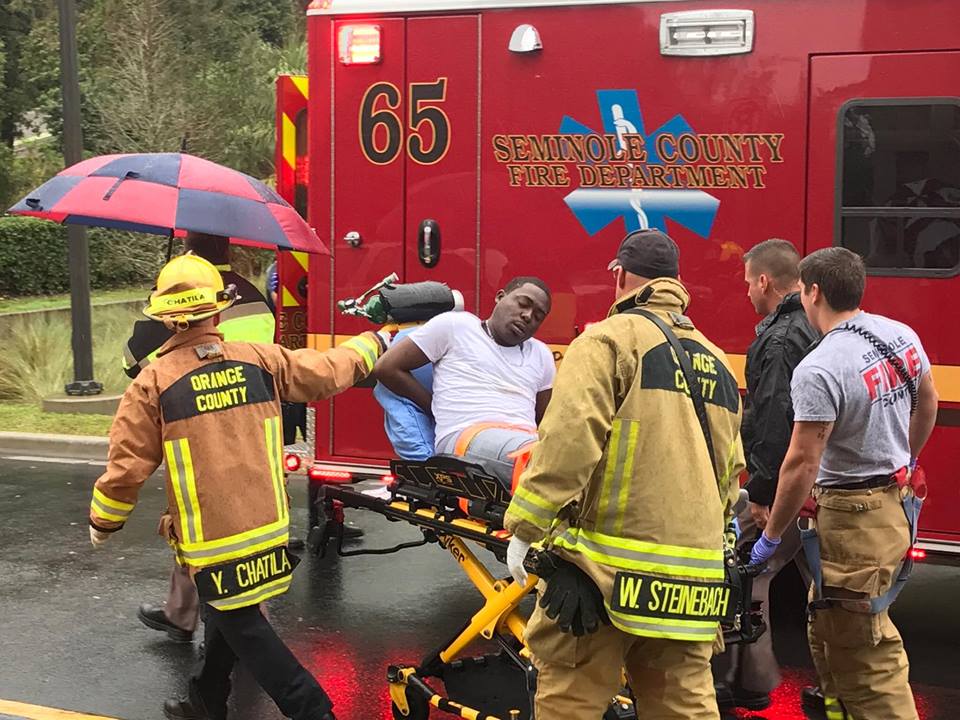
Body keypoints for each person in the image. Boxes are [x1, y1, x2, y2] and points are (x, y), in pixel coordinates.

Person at [89, 254, 386, 720]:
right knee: (222, 615)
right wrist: (372, 341)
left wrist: (103, 523)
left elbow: (126, 469)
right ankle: (204, 702)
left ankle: (313, 712)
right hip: (267, 525)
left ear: (165, 319)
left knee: (242, 625)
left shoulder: (151, 384)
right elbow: (328, 372)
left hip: (211, 543)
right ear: (219, 310)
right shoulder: (261, 359)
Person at [504, 229, 745, 719]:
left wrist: (525, 530)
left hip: (604, 575)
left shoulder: (607, 341)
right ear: (676, 282)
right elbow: (730, 472)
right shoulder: (718, 360)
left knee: (571, 700)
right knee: (683, 707)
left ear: (619, 276)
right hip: (692, 585)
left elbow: (569, 443)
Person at [751, 247, 938, 720]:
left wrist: (771, 536)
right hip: (890, 509)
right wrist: (907, 458)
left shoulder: (820, 366)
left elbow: (801, 463)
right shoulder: (900, 334)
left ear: (812, 291)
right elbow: (928, 400)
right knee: (828, 631)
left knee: (869, 657)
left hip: (852, 518)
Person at [133, 233, 277, 645]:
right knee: (242, 519)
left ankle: (244, 632)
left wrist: (156, 314)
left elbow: (138, 362)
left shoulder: (184, 303)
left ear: (188, 253)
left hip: (197, 420)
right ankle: (184, 614)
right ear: (228, 251)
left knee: (198, 518)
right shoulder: (250, 296)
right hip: (252, 413)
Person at [713, 239, 818, 711]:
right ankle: (835, 684)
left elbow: (776, 416)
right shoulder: (815, 324)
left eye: (747, 283)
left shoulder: (778, 339)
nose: (747, 294)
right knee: (823, 586)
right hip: (817, 480)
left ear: (764, 281)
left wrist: (760, 490)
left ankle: (747, 682)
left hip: (781, 485)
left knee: (740, 572)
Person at [374, 277, 554, 487]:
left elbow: (545, 421)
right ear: (500, 297)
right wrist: (433, 406)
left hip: (526, 439)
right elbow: (386, 368)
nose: (528, 316)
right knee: (543, 461)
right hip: (467, 437)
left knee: (571, 459)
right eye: (523, 304)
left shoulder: (542, 354)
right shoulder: (456, 326)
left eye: (538, 316)